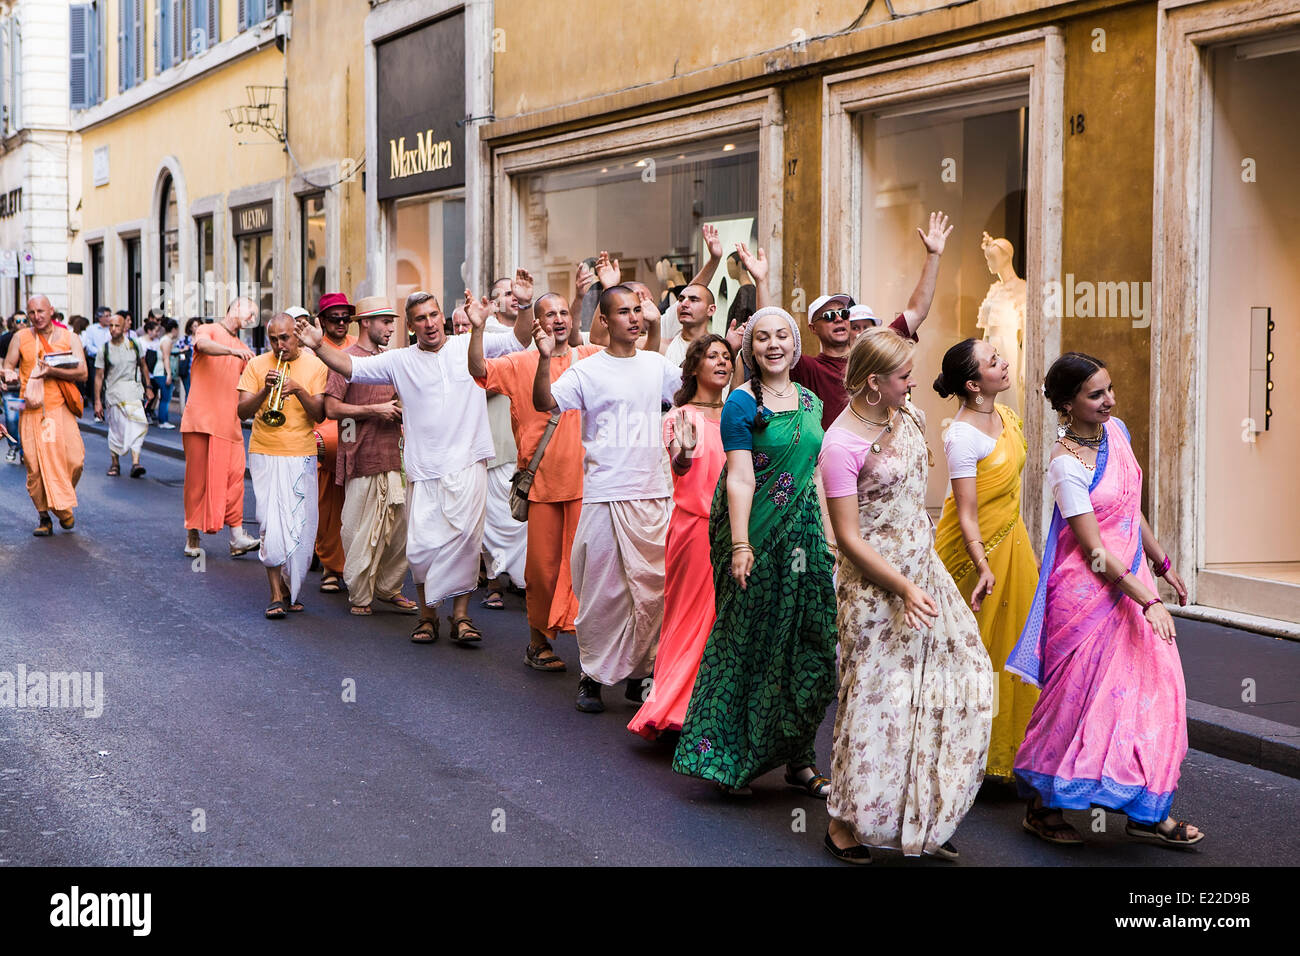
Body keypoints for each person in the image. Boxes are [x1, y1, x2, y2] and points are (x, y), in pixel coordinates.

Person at [1006, 353, 1202, 849]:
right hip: (1087, 595)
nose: (1109, 400)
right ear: (1067, 405)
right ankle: (1042, 807)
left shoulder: (1117, 434)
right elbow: (1093, 550)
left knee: (1155, 695)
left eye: (1109, 389)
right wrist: (1147, 602)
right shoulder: (1065, 465)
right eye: (1096, 395)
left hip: (1133, 581)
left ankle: (1146, 808)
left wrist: (1162, 565)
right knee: (1080, 702)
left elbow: (1130, 509)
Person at [820, 326, 993, 864]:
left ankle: (921, 813)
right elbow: (847, 538)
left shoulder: (909, 417)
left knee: (958, 679)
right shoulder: (840, 444)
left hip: (925, 573)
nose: (912, 383)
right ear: (874, 382)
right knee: (877, 704)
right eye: (902, 376)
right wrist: (902, 588)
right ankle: (843, 825)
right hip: (875, 590)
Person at [298, 287, 531, 644]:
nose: (429, 324)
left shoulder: (466, 345)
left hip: (468, 463)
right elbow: (352, 368)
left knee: (465, 543)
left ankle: (462, 617)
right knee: (422, 546)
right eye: (420, 319)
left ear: (442, 317)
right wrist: (317, 345)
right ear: (411, 326)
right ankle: (427, 617)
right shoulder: (400, 360)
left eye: (434, 315)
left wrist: (525, 304)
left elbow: (520, 339)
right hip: (424, 468)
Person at [671, 305, 838, 799]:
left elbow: (815, 475)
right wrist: (742, 545)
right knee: (748, 642)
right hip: (752, 534)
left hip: (805, 537)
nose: (772, 345)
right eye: (762, 337)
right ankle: (726, 758)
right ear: (751, 347)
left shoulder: (810, 402)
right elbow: (740, 477)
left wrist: (829, 538)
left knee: (808, 644)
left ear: (794, 344)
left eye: (781, 336)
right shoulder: (742, 404)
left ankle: (799, 757)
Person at [532, 284, 679, 713]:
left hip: (654, 492)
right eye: (623, 312)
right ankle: (591, 676)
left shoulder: (657, 365)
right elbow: (546, 403)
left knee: (652, 592)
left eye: (638, 311)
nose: (633, 318)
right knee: (601, 592)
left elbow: (692, 396)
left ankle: (640, 675)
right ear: (604, 320)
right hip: (604, 494)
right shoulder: (588, 371)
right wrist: (544, 358)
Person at [929, 338, 1040, 784]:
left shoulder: (1006, 418)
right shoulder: (960, 437)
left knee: (1012, 649)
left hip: (1014, 545)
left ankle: (1008, 752)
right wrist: (982, 564)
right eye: (994, 362)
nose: (1005, 363)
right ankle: (960, 756)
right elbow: (966, 511)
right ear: (974, 384)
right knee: (970, 655)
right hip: (972, 554)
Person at [475, 290, 603, 672]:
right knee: (542, 572)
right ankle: (537, 643)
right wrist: (479, 327)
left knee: (587, 571)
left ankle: (593, 653)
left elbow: (620, 344)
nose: (559, 319)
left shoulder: (591, 359)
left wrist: (594, 292)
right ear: (537, 324)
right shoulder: (520, 362)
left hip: (590, 486)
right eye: (551, 314)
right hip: (544, 485)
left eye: (565, 313)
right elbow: (478, 370)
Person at [629, 333, 732, 740]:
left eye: (727, 356)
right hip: (695, 530)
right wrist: (685, 453)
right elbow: (681, 466)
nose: (722, 362)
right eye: (712, 356)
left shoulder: (740, 414)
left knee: (723, 620)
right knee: (689, 617)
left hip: (738, 532)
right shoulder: (679, 416)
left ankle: (711, 707)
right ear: (693, 367)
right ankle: (672, 707)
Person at [772, 212, 952, 431]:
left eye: (844, 313)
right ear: (813, 328)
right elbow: (770, 335)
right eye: (829, 316)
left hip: (880, 453)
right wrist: (762, 280)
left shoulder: (872, 352)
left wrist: (933, 256)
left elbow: (916, 313)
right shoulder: (809, 368)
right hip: (837, 459)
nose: (838, 318)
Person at [324, 297, 417, 617]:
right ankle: (360, 594)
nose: (392, 328)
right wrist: (372, 411)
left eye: (393, 322)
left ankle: (389, 589)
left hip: (394, 456)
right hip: (360, 458)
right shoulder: (344, 360)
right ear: (365, 322)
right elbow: (332, 409)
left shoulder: (392, 360)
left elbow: (401, 401)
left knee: (399, 531)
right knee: (359, 530)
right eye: (385, 322)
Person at [237, 313, 329, 618]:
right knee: (269, 522)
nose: (279, 345)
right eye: (273, 339)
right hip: (265, 452)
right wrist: (265, 390)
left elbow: (319, 414)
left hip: (300, 454)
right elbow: (241, 412)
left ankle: (292, 587)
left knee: (300, 528)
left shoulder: (315, 366)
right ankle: (276, 594)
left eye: (285, 338)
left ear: (297, 336)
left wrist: (299, 390)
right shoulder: (255, 365)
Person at [180, 298, 262, 559]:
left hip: (230, 422)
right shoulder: (209, 330)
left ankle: (237, 536)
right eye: (251, 313)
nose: (252, 320)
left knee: (236, 478)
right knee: (197, 481)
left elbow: (250, 384)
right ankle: (193, 533)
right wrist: (232, 352)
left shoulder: (243, 347)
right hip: (201, 420)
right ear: (235, 308)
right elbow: (201, 344)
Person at [2, 296, 88, 534]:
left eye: (41, 311)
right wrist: (7, 373)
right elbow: (8, 365)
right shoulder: (20, 338)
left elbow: (82, 372)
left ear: (51, 311)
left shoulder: (70, 338)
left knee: (74, 460)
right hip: (30, 410)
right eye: (32, 312)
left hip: (59, 409)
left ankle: (60, 504)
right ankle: (45, 517)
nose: (36, 316)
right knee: (35, 467)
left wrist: (53, 370)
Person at [479, 273, 538, 608]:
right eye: (505, 293)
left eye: (516, 292)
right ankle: (493, 580)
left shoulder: (534, 335)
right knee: (492, 513)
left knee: (521, 512)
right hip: (493, 432)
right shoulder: (486, 337)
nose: (513, 296)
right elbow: (480, 379)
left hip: (525, 435)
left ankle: (521, 576)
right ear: (494, 303)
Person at [313, 292, 357, 596]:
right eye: (334, 318)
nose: (341, 323)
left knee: (356, 499)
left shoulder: (359, 346)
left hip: (355, 425)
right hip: (323, 429)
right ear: (322, 321)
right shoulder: (312, 351)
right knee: (328, 503)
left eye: (345, 317)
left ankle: (356, 566)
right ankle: (330, 566)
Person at [93, 312, 154, 478]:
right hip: (113, 395)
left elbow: (144, 366)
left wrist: (148, 386)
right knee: (116, 430)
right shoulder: (104, 349)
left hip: (133, 392)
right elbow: (99, 376)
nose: (113, 329)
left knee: (138, 424)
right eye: (110, 326)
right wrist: (97, 401)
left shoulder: (134, 344)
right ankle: (115, 463)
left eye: (116, 326)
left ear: (124, 327)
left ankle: (136, 462)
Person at [143, 319, 174, 428]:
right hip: (155, 373)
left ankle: (148, 413)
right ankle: (162, 420)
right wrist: (169, 373)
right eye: (156, 331)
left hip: (153, 373)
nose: (157, 333)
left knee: (154, 395)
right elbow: (165, 357)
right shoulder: (142, 341)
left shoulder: (158, 341)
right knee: (162, 397)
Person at [173, 318, 200, 407]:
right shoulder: (184, 340)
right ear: (190, 328)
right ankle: (188, 417)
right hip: (187, 371)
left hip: (200, 372)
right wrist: (183, 349)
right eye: (195, 326)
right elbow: (174, 349)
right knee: (189, 394)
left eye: (199, 325)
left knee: (198, 395)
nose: (197, 328)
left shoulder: (203, 339)